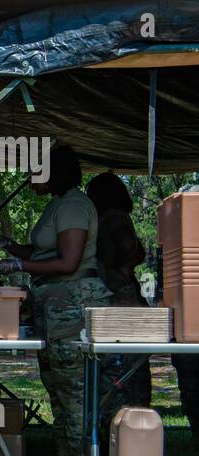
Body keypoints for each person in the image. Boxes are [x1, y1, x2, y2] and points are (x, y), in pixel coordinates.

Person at [0, 145, 112, 456]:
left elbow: (68, 261)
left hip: (73, 304)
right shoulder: (57, 206)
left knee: (72, 384)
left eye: (37, 170)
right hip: (55, 306)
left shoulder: (73, 205)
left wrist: (19, 264)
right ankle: (65, 454)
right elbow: (43, 252)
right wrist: (9, 246)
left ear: (55, 172)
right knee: (56, 381)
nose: (30, 177)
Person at [85, 171, 152, 409]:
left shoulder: (111, 218)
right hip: (123, 294)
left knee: (124, 363)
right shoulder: (117, 216)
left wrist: (118, 266)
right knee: (131, 363)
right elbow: (140, 251)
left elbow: (128, 245)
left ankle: (129, 417)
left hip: (119, 297)